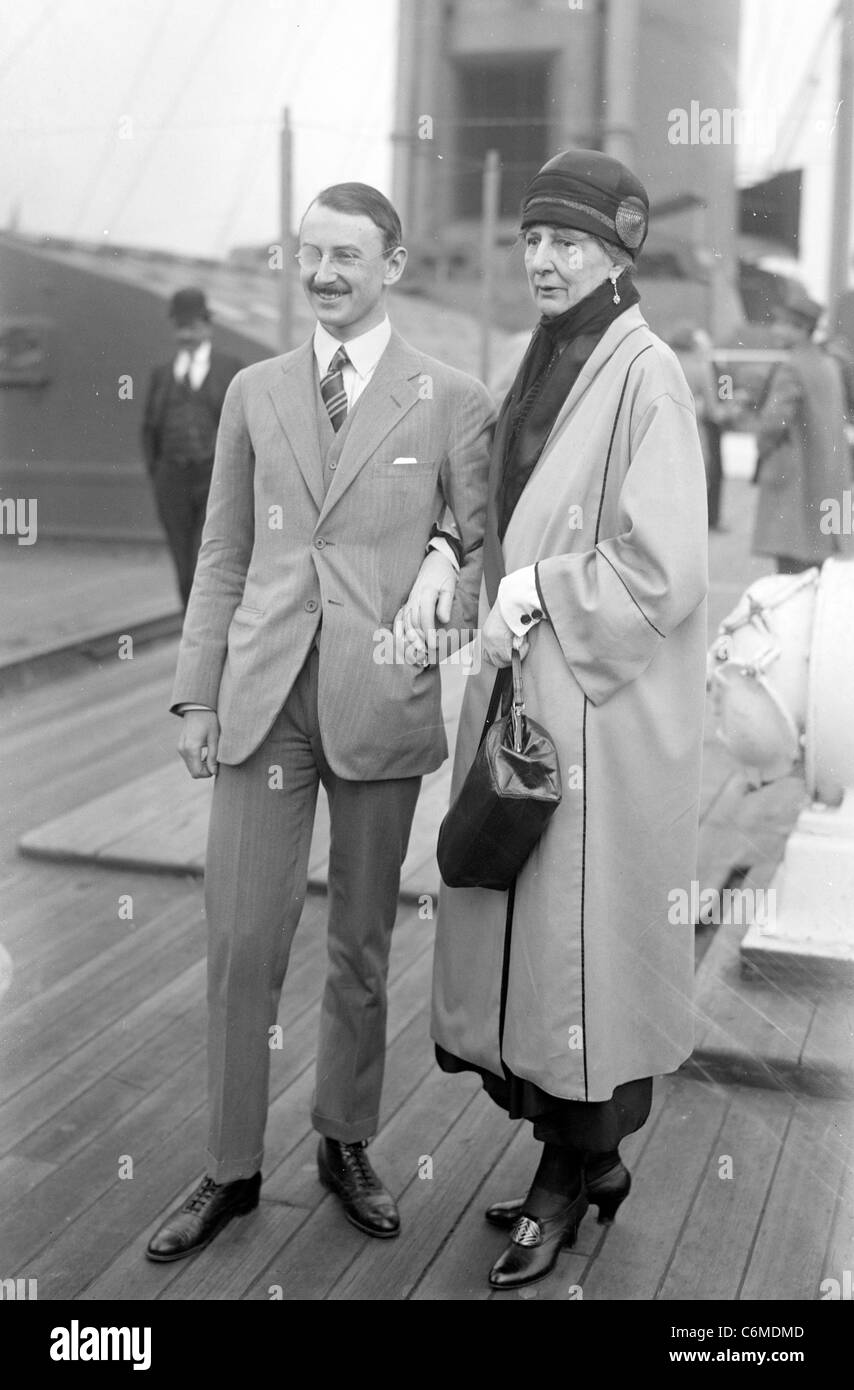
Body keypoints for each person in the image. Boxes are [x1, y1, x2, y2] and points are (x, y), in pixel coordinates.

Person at [144, 183, 493, 1263]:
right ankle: (230, 1164)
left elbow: (482, 554)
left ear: (391, 263)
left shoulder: (451, 398)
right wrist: (197, 691)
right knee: (242, 939)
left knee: (358, 942)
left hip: (377, 692)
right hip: (261, 700)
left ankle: (345, 1139)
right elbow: (222, 554)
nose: (323, 271)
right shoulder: (253, 390)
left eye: (346, 253)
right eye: (309, 253)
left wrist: (445, 560)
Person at [427, 149, 709, 1290]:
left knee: (578, 951)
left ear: (613, 253)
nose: (541, 260)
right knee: (536, 941)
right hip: (536, 694)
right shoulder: (547, 351)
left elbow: (662, 566)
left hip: (599, 713)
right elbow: (503, 499)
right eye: (533, 240)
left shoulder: (647, 373)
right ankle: (582, 1166)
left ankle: (568, 1171)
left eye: (568, 243)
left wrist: (537, 591)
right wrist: (468, 562)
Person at [141, 288, 243, 609]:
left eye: (192, 326)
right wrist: (158, 474)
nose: (186, 333)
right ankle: (192, 633)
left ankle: (207, 636)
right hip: (172, 480)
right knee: (183, 565)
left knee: (205, 561)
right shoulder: (161, 374)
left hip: (215, 481)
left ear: (206, 326)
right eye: (180, 327)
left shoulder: (230, 368)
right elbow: (149, 429)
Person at [751, 284, 853, 575]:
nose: (775, 331)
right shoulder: (829, 364)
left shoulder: (793, 367)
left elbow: (772, 423)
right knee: (820, 574)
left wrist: (762, 447)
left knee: (791, 575)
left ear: (798, 328)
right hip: (829, 483)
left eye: (780, 324)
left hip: (798, 483)